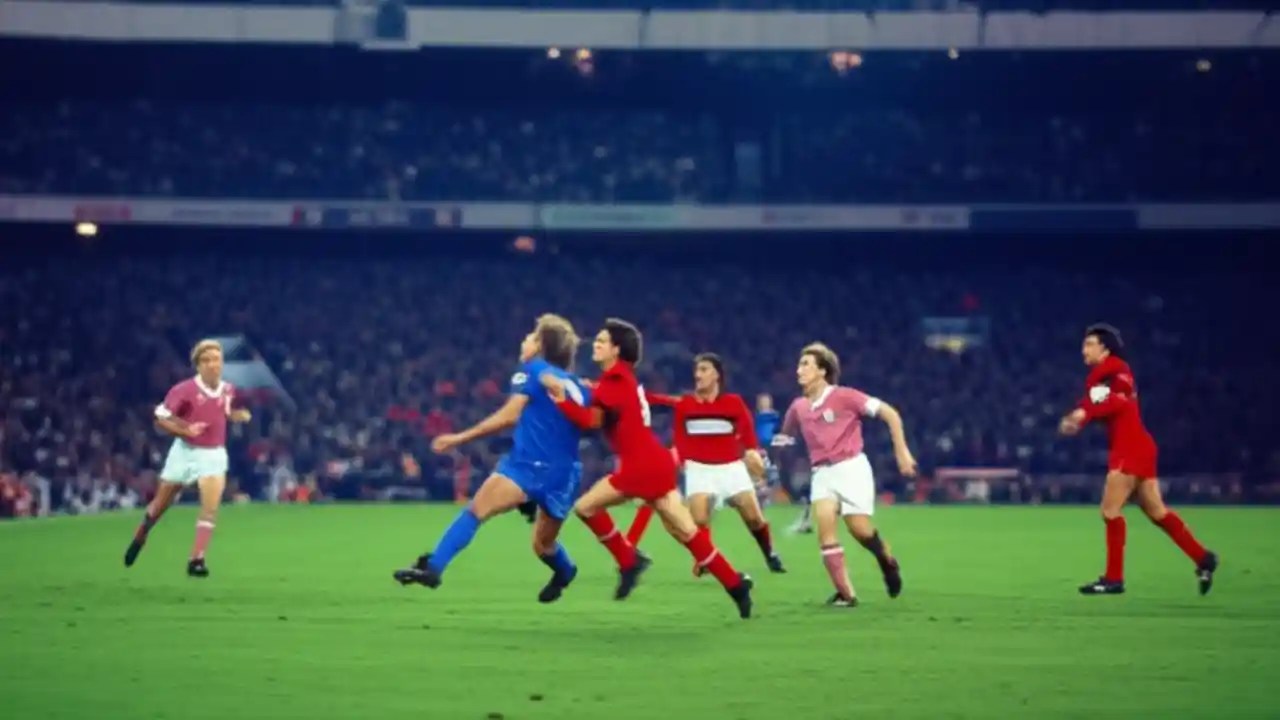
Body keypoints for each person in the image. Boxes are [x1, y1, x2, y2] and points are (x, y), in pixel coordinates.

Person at [542, 318, 754, 619]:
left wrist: (562, 400)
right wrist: (587, 388)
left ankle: (629, 560)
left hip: (639, 466)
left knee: (586, 507)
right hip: (655, 462)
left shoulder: (614, 381)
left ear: (616, 349)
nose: (597, 344)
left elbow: (592, 421)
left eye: (603, 340)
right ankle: (735, 585)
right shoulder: (622, 378)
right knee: (686, 532)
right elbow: (607, 402)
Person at [393, 314, 588, 603]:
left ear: (541, 346)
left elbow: (509, 416)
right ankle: (566, 570)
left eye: (532, 336)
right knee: (543, 545)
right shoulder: (577, 384)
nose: (525, 340)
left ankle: (434, 567)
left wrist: (459, 438)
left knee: (475, 512)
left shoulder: (532, 370)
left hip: (529, 465)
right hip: (565, 474)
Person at [1059, 323, 1218, 595]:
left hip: (1130, 449)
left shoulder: (1118, 370)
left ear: (1104, 348)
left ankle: (1114, 578)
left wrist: (1083, 415)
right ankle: (1203, 558)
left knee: (1110, 512)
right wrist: (1081, 415)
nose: (1083, 350)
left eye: (1089, 344)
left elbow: (1117, 400)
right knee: (1157, 513)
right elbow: (1097, 401)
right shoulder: (1100, 377)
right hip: (1138, 446)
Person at [771, 342, 915, 607]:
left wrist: (902, 452)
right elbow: (785, 438)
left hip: (851, 468)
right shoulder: (798, 407)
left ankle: (885, 559)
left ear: (822, 371)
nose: (799, 370)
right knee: (825, 531)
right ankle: (847, 595)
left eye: (806, 365)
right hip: (822, 474)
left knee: (859, 530)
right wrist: (767, 452)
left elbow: (890, 414)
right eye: (799, 364)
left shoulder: (846, 396)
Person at [626, 353, 785, 574]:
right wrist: (678, 463)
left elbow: (749, 441)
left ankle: (769, 553)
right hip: (699, 469)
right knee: (698, 521)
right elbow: (680, 439)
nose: (697, 375)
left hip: (731, 467)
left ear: (716, 375)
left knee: (754, 519)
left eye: (703, 370)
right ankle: (708, 561)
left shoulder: (734, 404)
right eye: (697, 371)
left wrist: (754, 457)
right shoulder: (686, 405)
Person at [125, 339, 252, 577]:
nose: (213, 365)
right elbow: (160, 418)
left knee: (210, 507)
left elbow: (222, 412)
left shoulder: (228, 389)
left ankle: (196, 559)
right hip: (184, 453)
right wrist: (185, 430)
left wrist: (236, 415)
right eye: (207, 360)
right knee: (159, 507)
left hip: (214, 454)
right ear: (198, 365)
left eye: (217, 359)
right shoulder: (184, 390)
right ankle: (142, 533)